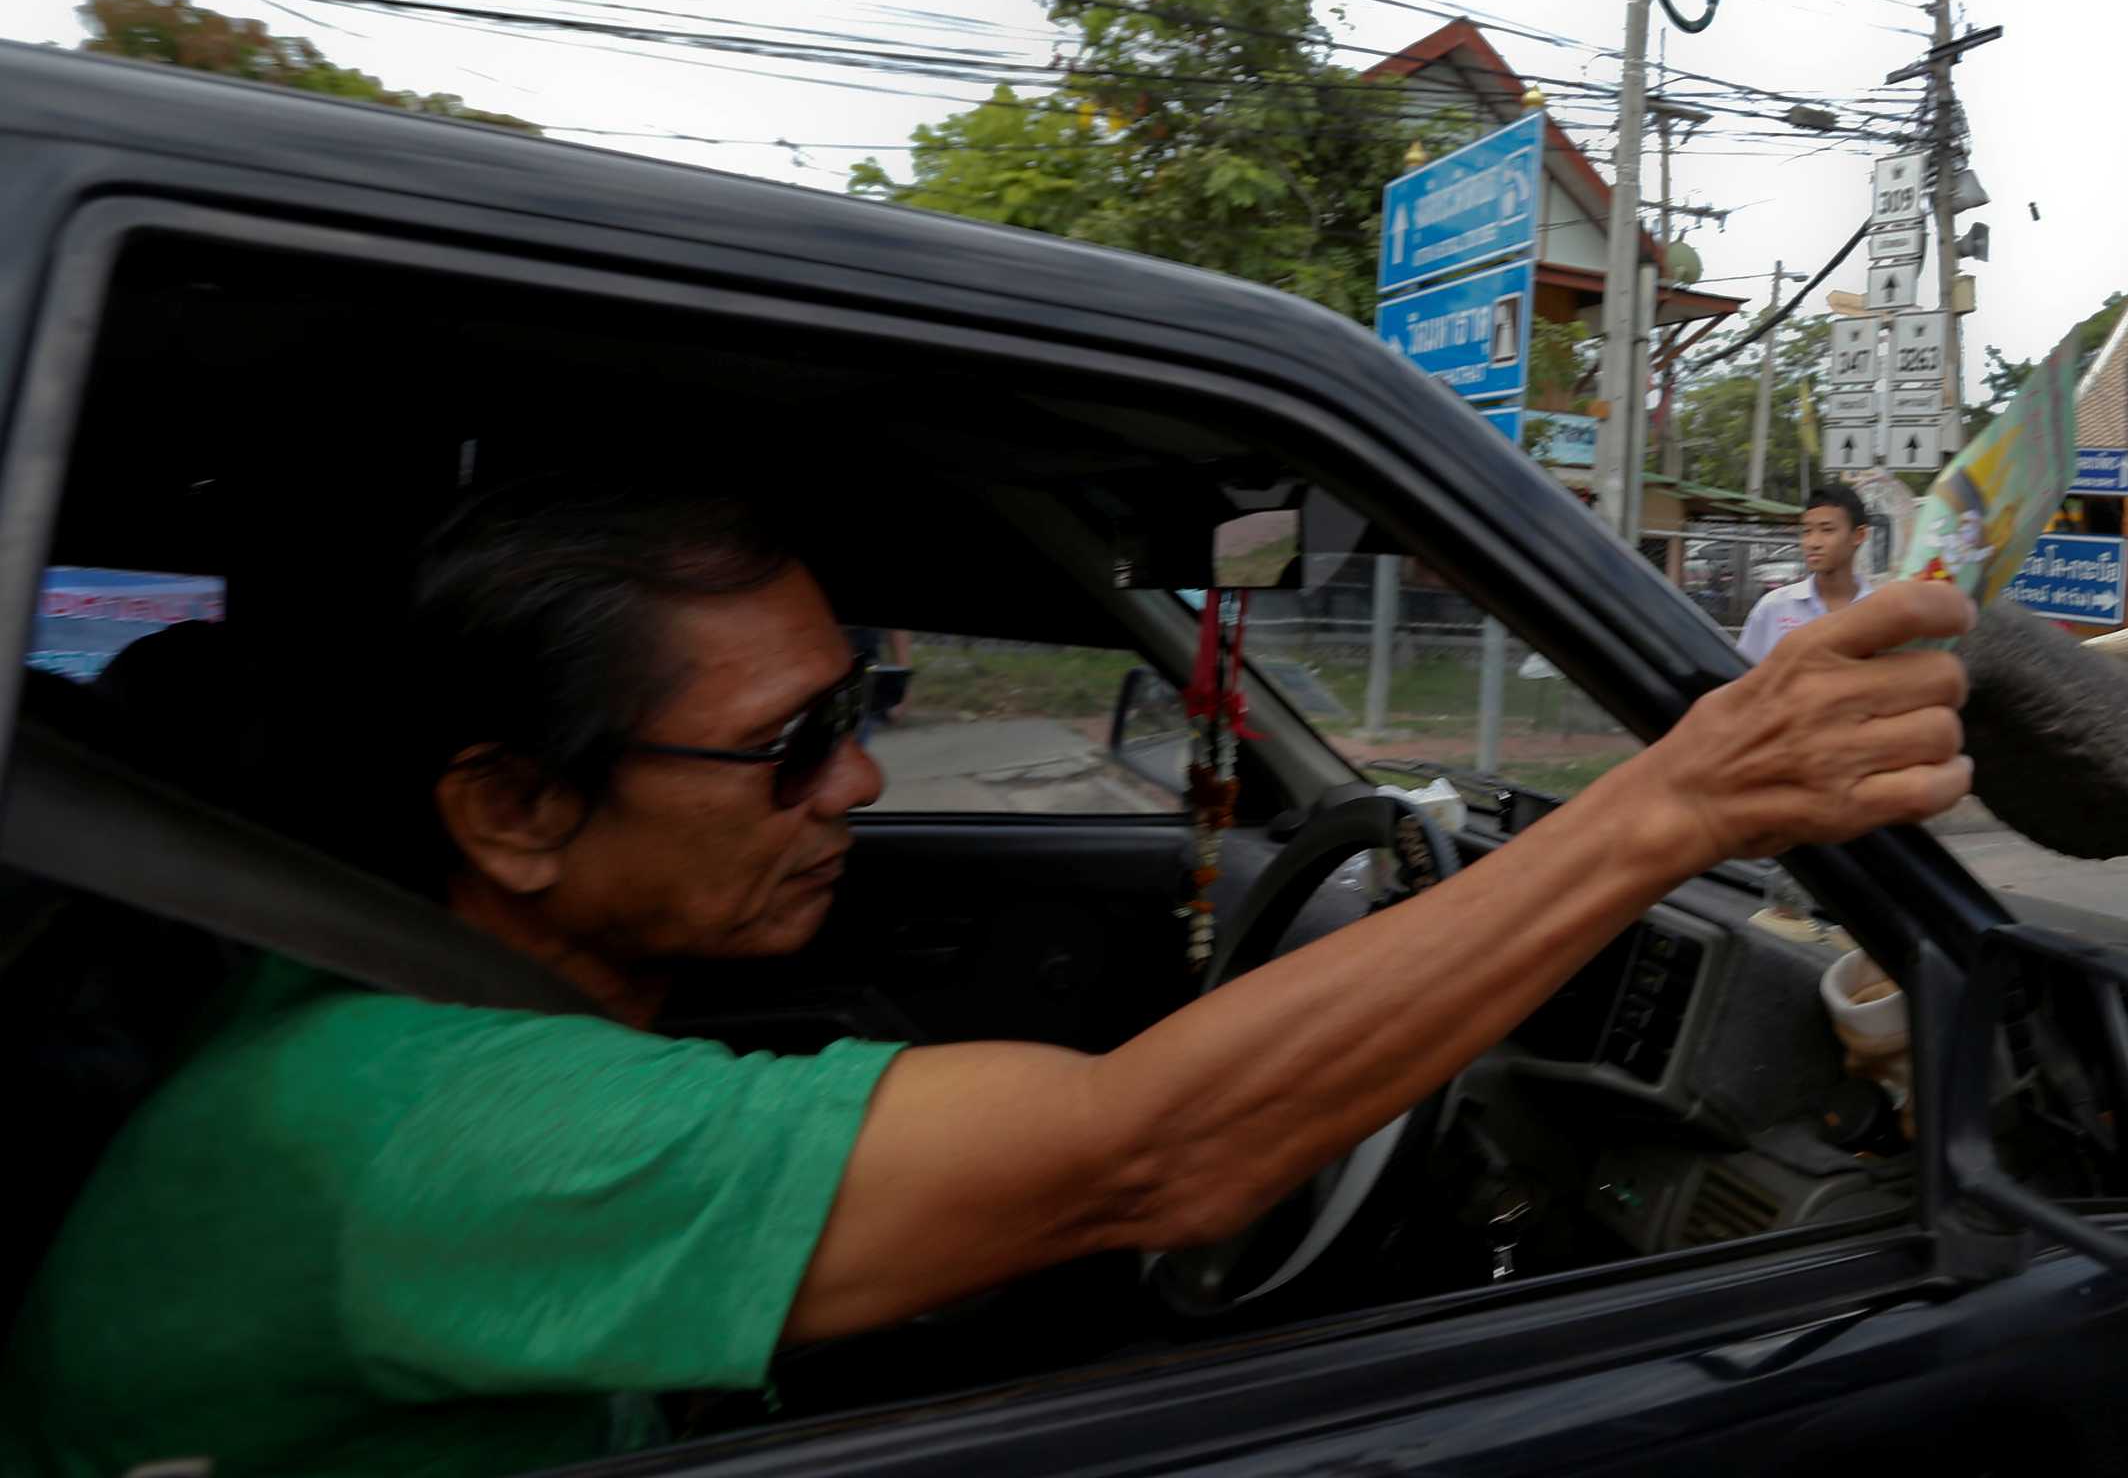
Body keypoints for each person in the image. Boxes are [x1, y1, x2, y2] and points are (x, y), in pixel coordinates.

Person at [1, 481, 1974, 1478]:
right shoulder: (438, 1133)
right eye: (788, 743)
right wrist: (1680, 796)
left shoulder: (373, 1019)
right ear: (513, 808)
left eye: (862, 705)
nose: (857, 775)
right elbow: (1148, 1160)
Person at [1738, 483, 1874, 664]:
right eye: (1807, 531)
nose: (1813, 542)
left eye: (1827, 530)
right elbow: (1742, 677)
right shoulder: (1774, 607)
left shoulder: (1878, 611)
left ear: (1859, 535)